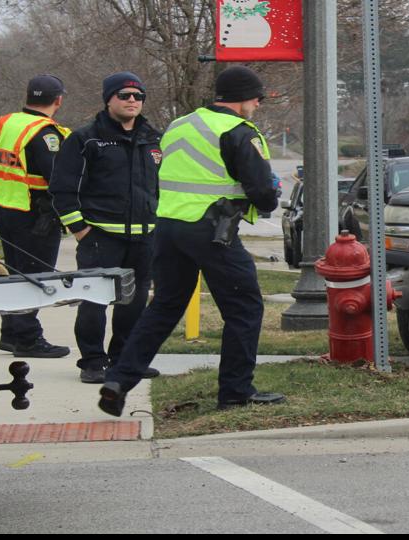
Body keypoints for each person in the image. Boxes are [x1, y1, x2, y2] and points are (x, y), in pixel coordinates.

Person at [99, 66, 282, 416]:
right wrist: (270, 193)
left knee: (165, 307)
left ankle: (119, 380)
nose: (258, 104)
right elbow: (263, 193)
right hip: (211, 230)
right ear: (244, 97)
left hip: (168, 228)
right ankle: (236, 391)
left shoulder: (179, 125)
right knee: (245, 308)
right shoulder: (239, 131)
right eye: (257, 98)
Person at [50, 72, 162, 385]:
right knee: (94, 302)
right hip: (100, 237)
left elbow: (161, 188)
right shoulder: (85, 139)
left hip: (144, 237)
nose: (132, 101)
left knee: (135, 301)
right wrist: (80, 230)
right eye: (124, 95)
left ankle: (124, 359)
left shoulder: (153, 139)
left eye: (138, 96)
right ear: (109, 99)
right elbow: (61, 189)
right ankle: (93, 361)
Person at [0, 74, 73, 358]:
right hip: (35, 213)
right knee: (35, 276)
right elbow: (57, 176)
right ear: (58, 100)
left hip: (6, 206)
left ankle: (11, 333)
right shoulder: (45, 133)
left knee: (16, 272)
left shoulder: (7, 123)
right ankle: (28, 338)